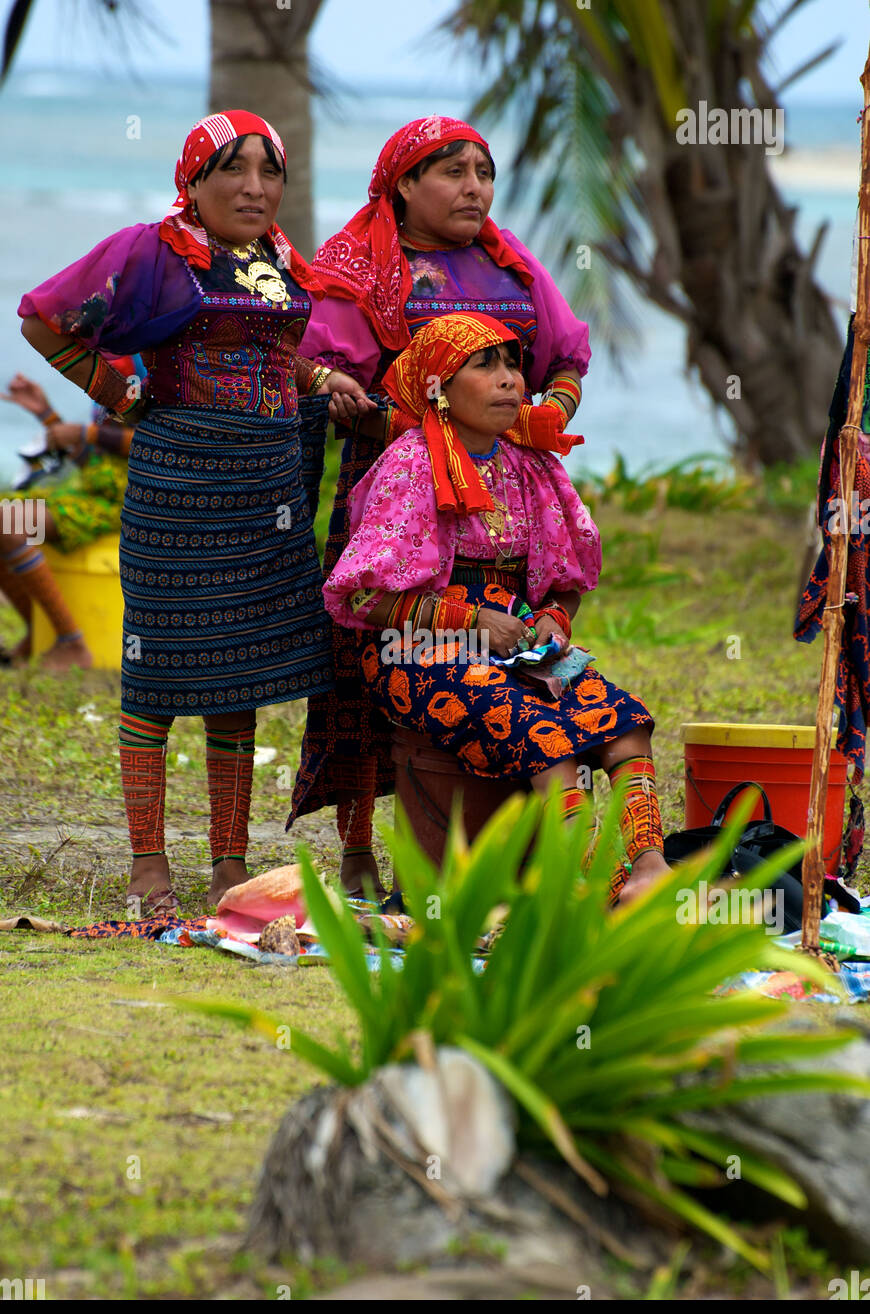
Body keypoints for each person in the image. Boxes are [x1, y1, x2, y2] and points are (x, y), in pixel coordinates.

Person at [18, 110, 372, 916]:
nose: (254, 187)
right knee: (155, 675)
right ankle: (149, 864)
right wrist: (118, 394)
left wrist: (320, 382)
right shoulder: (155, 249)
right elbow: (45, 318)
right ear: (194, 180)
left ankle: (228, 863)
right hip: (178, 489)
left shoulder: (281, 259)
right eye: (232, 170)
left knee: (235, 676)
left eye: (269, 171)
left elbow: (276, 355)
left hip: (267, 494)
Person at [291, 114, 590, 899]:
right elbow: (315, 368)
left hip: (508, 475)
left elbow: (562, 361)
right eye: (452, 174)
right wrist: (378, 410)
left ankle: (500, 846)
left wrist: (548, 410)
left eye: (483, 174)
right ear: (403, 185)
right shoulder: (364, 265)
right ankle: (359, 848)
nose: (474, 189)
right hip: (399, 482)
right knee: (363, 664)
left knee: (511, 653)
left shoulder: (509, 264)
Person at [323, 313, 669, 907]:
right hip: (414, 649)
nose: (511, 379)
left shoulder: (529, 464)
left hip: (515, 642)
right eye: (486, 365)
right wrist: (473, 622)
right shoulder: (410, 465)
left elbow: (567, 580)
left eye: (513, 364)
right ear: (438, 387)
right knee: (540, 729)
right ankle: (584, 881)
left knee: (621, 716)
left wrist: (554, 626)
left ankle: (651, 866)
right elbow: (362, 596)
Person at [0, 369, 139, 669]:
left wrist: (85, 433)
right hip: (88, 495)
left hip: (124, 505)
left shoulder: (153, 375)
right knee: (4, 521)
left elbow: (159, 441)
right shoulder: (116, 375)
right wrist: (46, 414)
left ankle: (71, 642)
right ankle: (37, 632)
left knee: (7, 521)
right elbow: (95, 461)